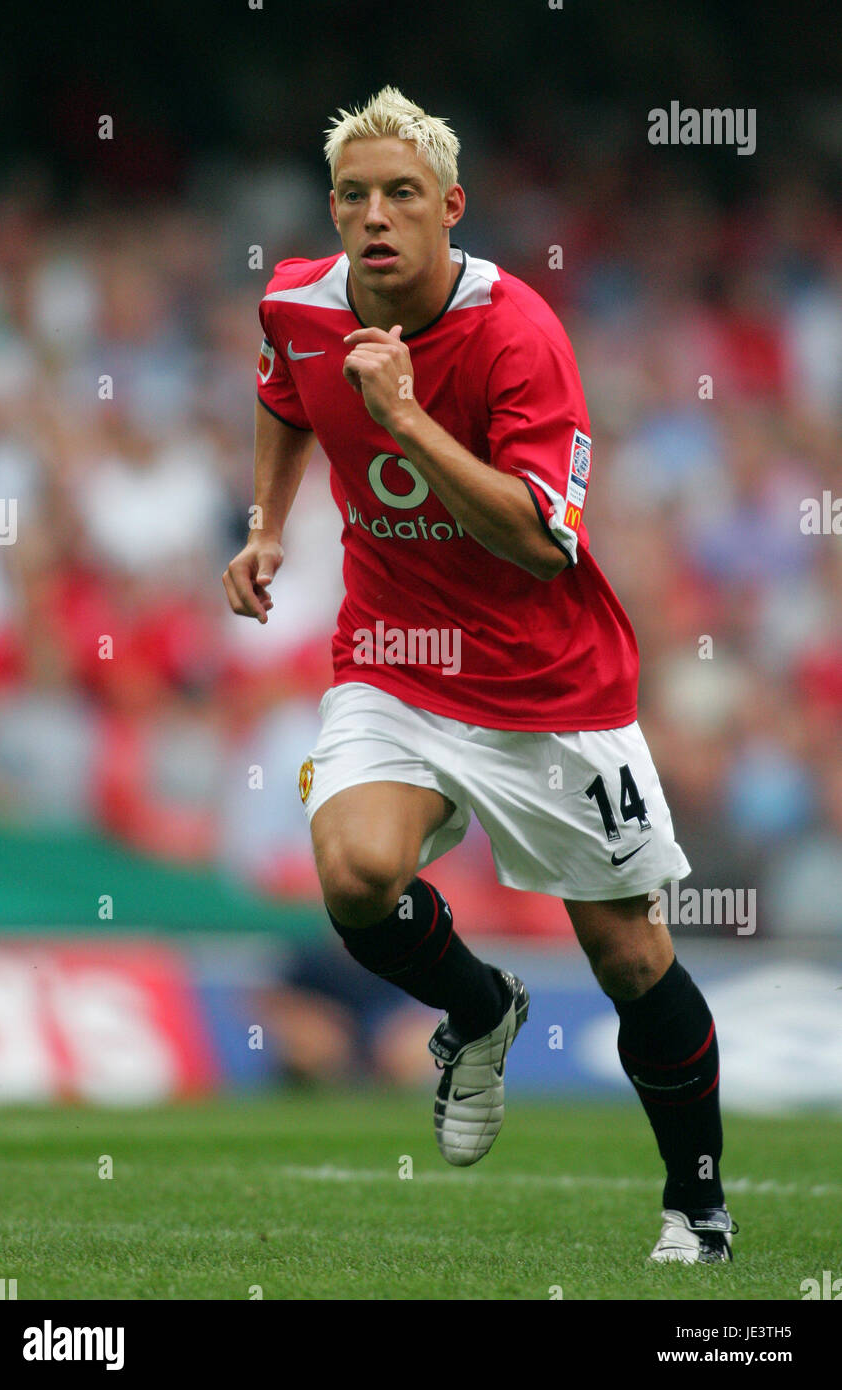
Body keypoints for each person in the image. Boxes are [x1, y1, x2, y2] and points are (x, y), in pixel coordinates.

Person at [223, 85, 736, 1264]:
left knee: (626, 954)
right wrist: (265, 527)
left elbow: (534, 535)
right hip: (393, 659)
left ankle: (695, 1211)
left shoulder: (517, 334)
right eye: (353, 196)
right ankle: (475, 1009)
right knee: (354, 873)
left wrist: (404, 421)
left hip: (547, 685)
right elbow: (280, 393)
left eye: (401, 194)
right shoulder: (296, 301)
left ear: (450, 207)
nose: (373, 217)